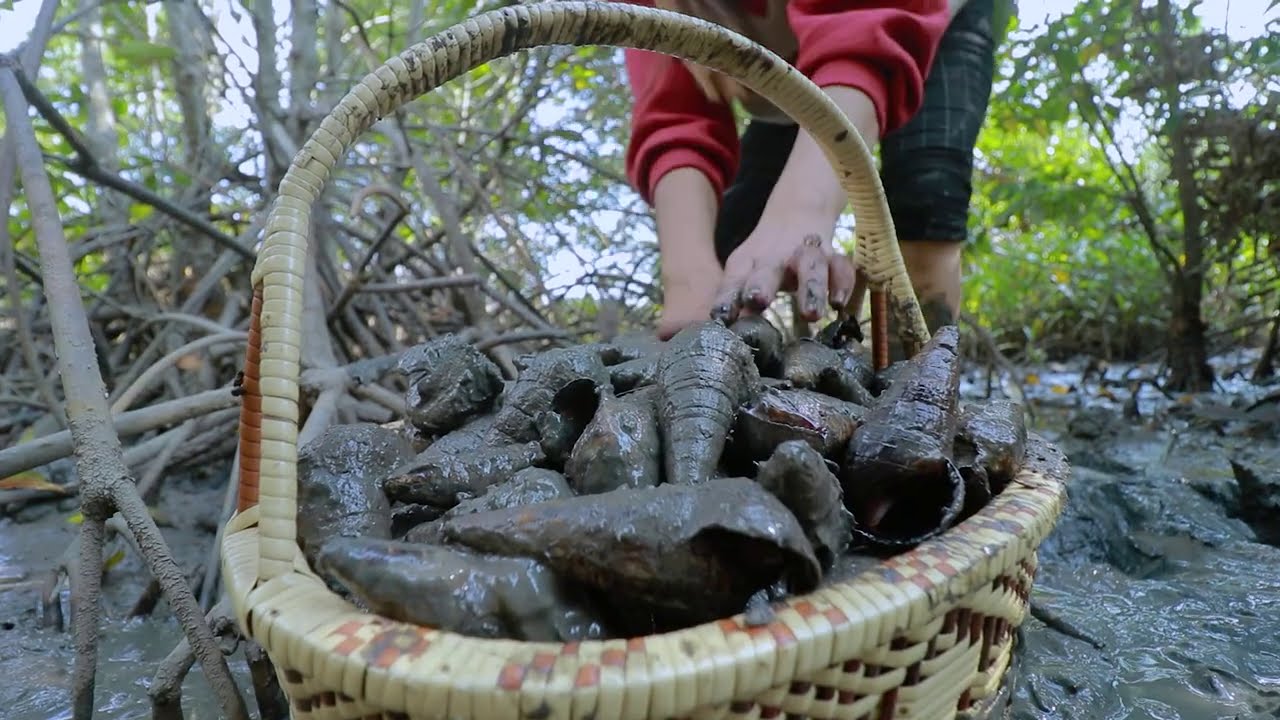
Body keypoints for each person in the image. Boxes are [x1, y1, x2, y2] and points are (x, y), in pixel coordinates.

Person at [619, 0, 1008, 350]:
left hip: (925, 21)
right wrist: (689, 281)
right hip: (788, 81)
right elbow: (677, 118)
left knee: (924, 196)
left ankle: (918, 385)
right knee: (733, 239)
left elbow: (871, 14)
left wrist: (803, 211)